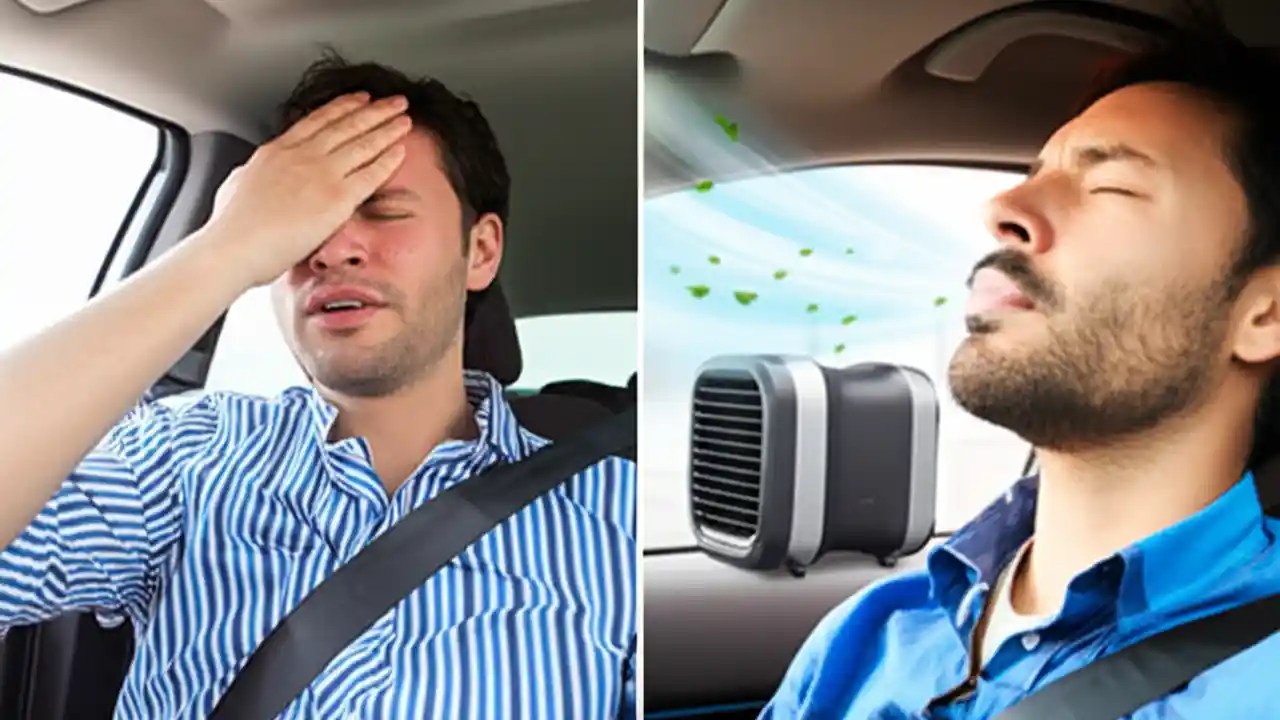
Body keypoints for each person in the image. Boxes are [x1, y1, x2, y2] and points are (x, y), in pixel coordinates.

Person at [0, 55, 635, 719]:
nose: (331, 249)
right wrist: (223, 249)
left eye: (384, 210)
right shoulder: (183, 456)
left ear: (480, 251)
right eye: (299, 220)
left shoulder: (611, 515)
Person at [761, 13, 1280, 720]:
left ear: (1266, 314)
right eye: (1033, 174)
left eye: (1113, 186)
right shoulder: (870, 634)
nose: (1002, 206)